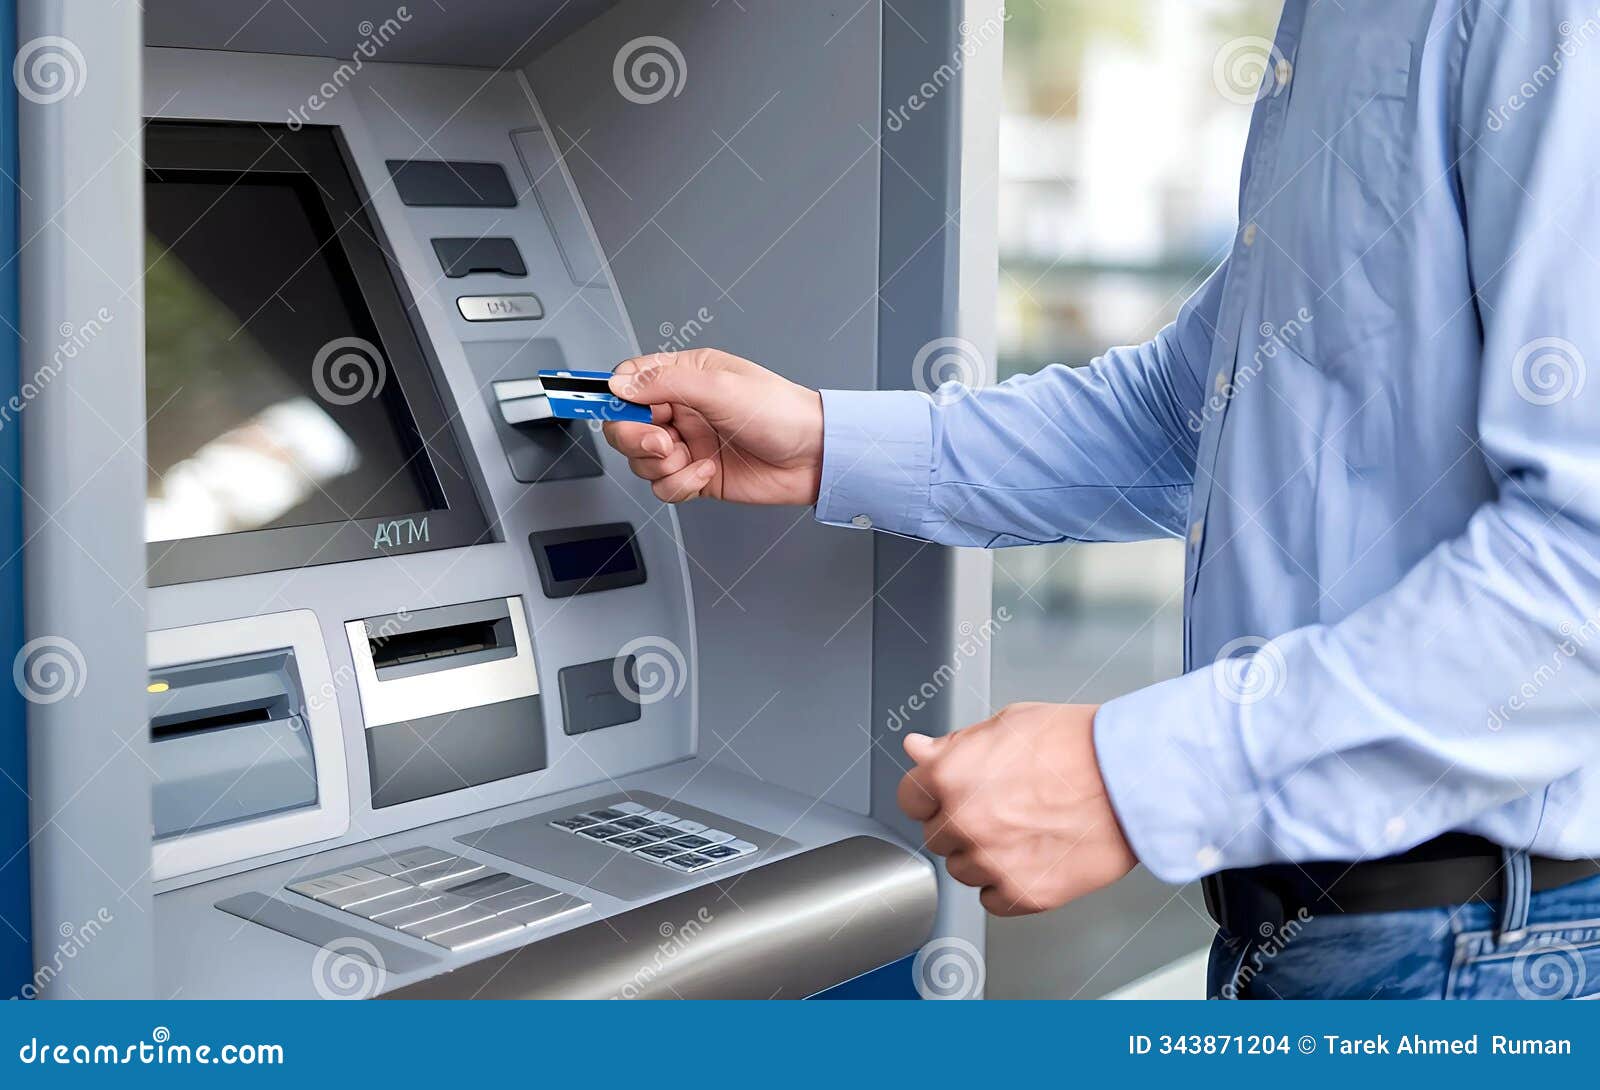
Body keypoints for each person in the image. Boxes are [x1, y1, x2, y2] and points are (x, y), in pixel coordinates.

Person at [603, 0, 1600, 1000]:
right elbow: (1192, 409)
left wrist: (1134, 774)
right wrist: (826, 442)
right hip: (1336, 933)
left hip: (1481, 950)